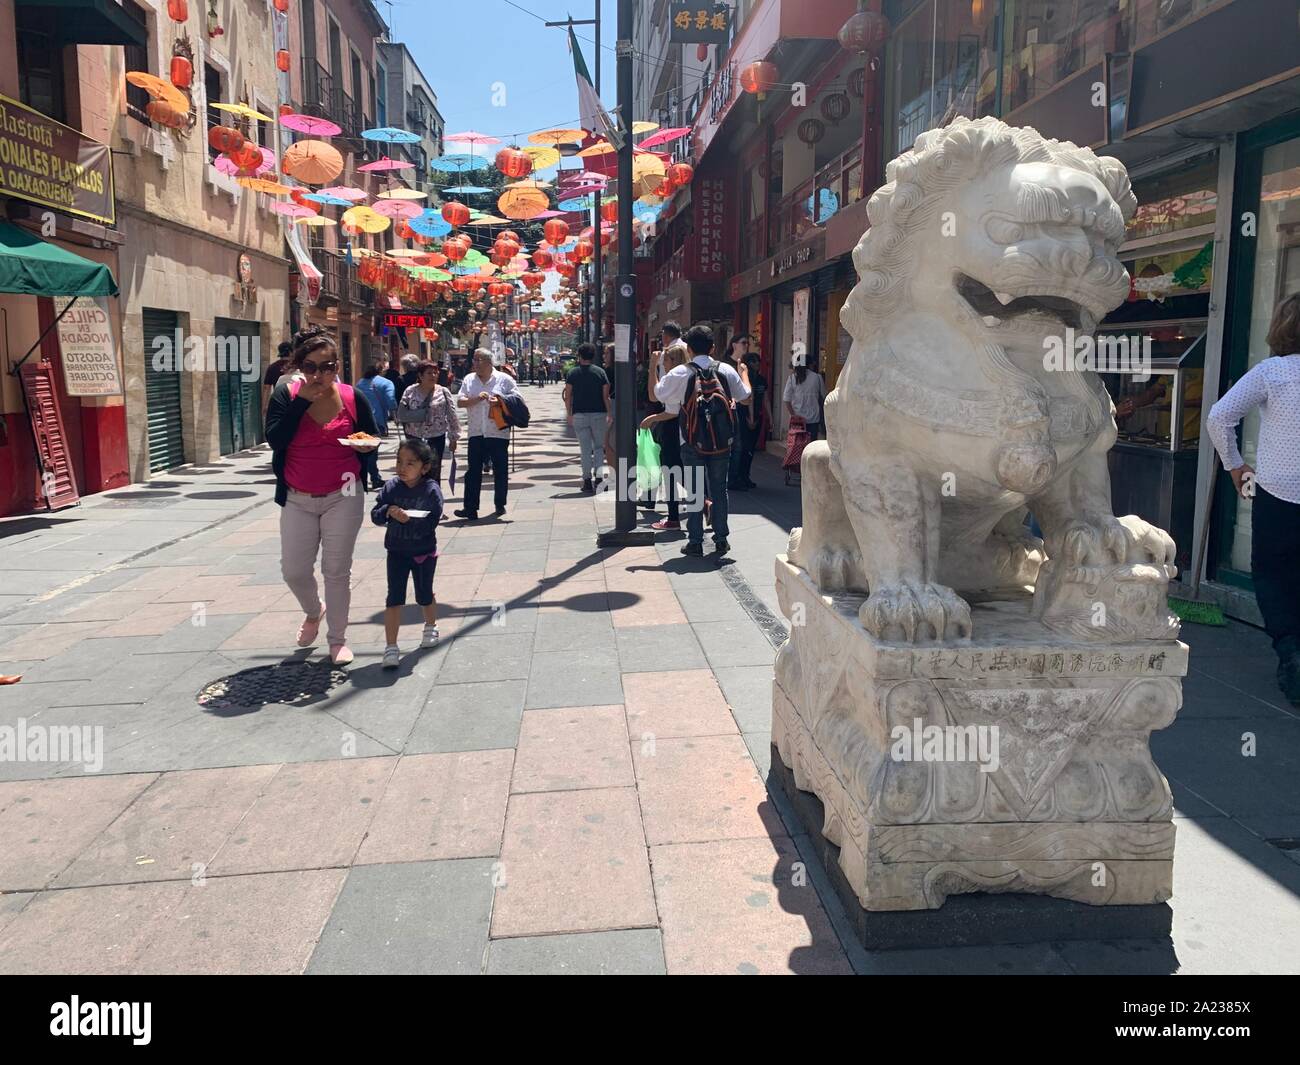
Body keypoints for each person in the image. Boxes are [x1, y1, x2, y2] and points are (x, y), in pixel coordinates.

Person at [265, 326, 379, 666]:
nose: (320, 374)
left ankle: (337, 639)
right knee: (294, 571)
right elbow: (276, 439)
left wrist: (366, 446)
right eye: (312, 367)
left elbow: (372, 435)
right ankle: (314, 611)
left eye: (328, 366)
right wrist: (301, 403)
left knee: (336, 570)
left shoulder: (351, 397)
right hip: (298, 496)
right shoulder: (286, 396)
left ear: (337, 366)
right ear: (301, 367)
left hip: (344, 493)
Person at [1207, 292, 1300, 707]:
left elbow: (1219, 417)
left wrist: (1235, 466)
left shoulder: (1272, 373)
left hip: (1277, 491)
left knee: (1273, 575)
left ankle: (1290, 651)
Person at [655, 323, 750, 556]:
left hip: (690, 440)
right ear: (713, 348)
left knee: (695, 491)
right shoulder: (726, 370)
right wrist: (744, 374)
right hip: (721, 442)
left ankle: (695, 541)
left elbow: (659, 393)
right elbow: (745, 397)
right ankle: (721, 539)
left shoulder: (680, 372)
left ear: (688, 349)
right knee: (719, 489)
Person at [372, 438, 445, 669]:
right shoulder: (391, 487)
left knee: (424, 594)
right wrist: (387, 512)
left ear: (424, 467)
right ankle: (391, 647)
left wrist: (408, 521)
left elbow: (432, 521)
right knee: (394, 597)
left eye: (410, 463)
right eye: (399, 461)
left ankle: (431, 625)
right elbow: (376, 513)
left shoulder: (431, 490)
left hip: (423, 551)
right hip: (396, 551)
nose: (402, 468)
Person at [455, 348, 517, 520]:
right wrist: (476, 399)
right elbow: (460, 402)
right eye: (474, 360)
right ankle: (470, 508)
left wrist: (500, 400)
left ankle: (499, 504)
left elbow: (517, 399)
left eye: (479, 360)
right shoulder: (469, 379)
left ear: (489, 362)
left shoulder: (504, 379)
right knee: (473, 471)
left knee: (500, 470)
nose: (475, 363)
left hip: (498, 431)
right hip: (476, 431)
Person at [642, 338, 689, 529]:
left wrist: (652, 367)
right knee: (685, 472)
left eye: (666, 361)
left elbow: (656, 397)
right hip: (690, 430)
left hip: (673, 429)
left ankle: (673, 517)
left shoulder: (674, 376)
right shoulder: (691, 373)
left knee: (670, 472)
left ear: (673, 361)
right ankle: (705, 502)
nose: (664, 364)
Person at [395, 359, 460, 483]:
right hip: (414, 437)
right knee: (414, 471)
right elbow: (401, 413)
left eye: (435, 373)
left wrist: (454, 438)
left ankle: (433, 498)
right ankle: (416, 498)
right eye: (429, 373)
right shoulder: (410, 391)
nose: (433, 376)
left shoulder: (443, 392)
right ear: (420, 375)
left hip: (436, 437)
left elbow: (452, 416)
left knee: (433, 472)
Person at [565, 342, 612, 493]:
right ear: (593, 356)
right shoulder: (600, 372)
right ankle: (598, 479)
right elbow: (606, 396)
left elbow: (568, 396)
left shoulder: (573, 373)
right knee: (599, 447)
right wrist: (609, 413)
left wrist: (569, 413)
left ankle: (586, 481)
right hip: (599, 413)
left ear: (579, 356)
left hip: (579, 414)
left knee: (585, 449)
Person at [356, 359, 396, 490]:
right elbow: (391, 401)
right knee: (372, 451)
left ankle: (367, 477)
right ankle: (375, 478)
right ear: (381, 370)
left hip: (359, 419)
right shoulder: (386, 383)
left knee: (364, 449)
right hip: (377, 420)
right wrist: (395, 414)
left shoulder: (360, 383)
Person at [725, 334, 756, 490]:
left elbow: (749, 397)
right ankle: (731, 478)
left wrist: (751, 414)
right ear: (734, 344)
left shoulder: (743, 366)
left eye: (748, 343)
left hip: (741, 410)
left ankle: (738, 477)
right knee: (733, 446)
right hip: (727, 410)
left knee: (741, 446)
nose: (746, 346)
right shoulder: (725, 365)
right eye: (743, 343)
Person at [783, 351, 826, 440]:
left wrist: (793, 414)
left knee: (797, 446)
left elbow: (786, 399)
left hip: (797, 417)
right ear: (810, 364)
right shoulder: (817, 378)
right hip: (813, 418)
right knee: (811, 445)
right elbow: (824, 396)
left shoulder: (792, 378)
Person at [263, 341, 293, 415]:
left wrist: (264, 406)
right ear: (290, 352)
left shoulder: (272, 367)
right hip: (293, 401)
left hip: (278, 401)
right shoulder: (295, 367)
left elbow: (266, 388)